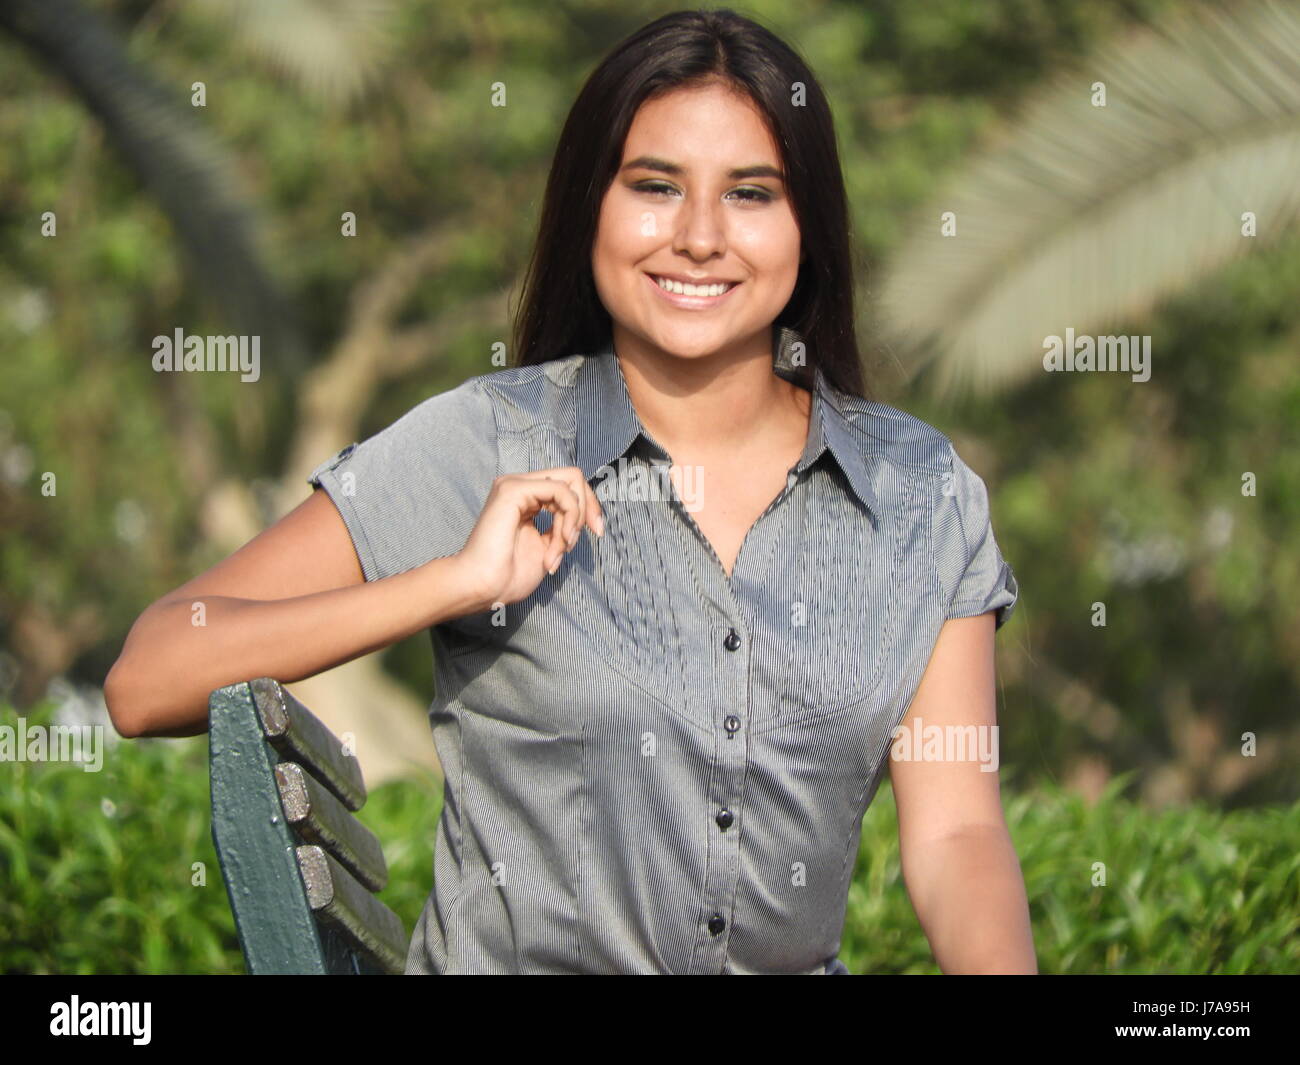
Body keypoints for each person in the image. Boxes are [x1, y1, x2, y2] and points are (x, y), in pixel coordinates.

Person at [105, 8, 1036, 975]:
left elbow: (957, 834)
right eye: (655, 187)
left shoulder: (919, 495)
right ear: (590, 204)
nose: (701, 236)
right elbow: (149, 676)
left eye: (752, 193)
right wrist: (451, 581)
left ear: (809, 227)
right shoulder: (487, 442)